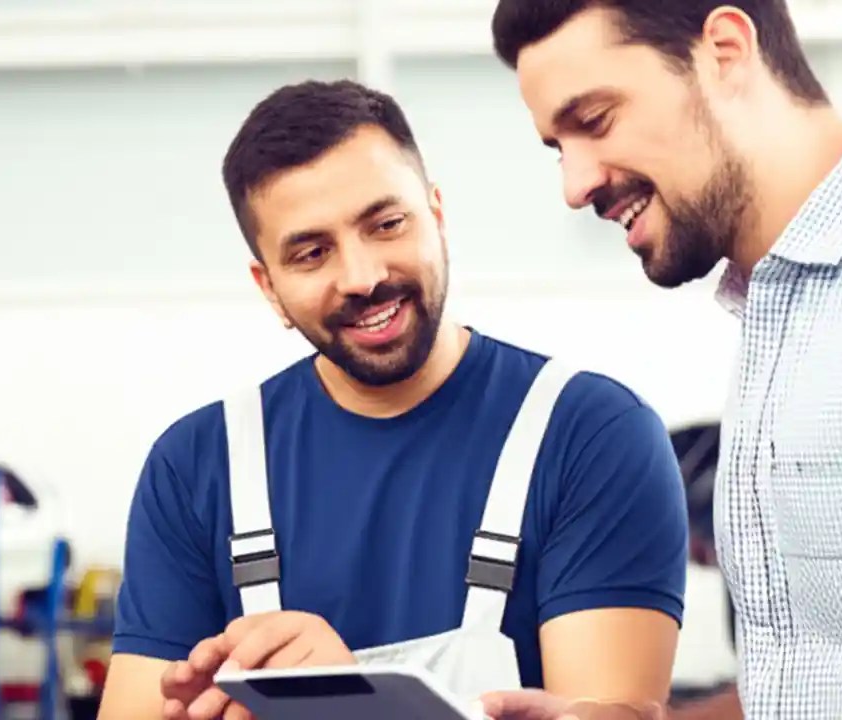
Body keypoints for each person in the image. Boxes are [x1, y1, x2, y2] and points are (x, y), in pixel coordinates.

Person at [95, 79, 691, 720]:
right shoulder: (195, 467)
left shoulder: (591, 437)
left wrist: (338, 705)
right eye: (311, 252)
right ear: (268, 288)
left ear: (436, 217)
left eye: (386, 224)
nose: (363, 277)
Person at [485, 0, 842, 719]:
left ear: (723, 50)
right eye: (557, 147)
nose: (575, 185)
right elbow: (837, 682)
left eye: (594, 122)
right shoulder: (780, 305)